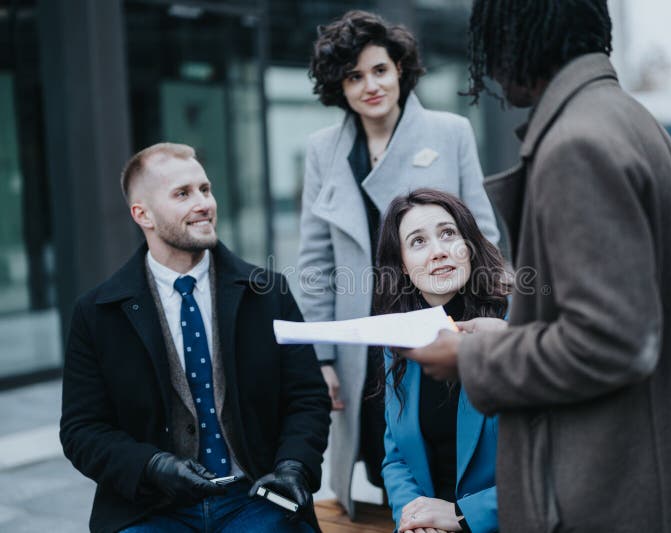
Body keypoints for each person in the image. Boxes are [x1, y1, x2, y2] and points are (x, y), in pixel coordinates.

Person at [402, 1, 671, 532]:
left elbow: (611, 340)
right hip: (670, 471)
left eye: (491, 47)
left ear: (517, 37)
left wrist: (476, 355)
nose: (492, 72)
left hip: (626, 490)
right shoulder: (633, 121)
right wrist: (509, 331)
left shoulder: (577, 145)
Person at [60, 143, 331, 533]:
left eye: (205, 189)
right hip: (149, 507)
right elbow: (82, 430)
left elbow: (308, 397)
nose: (204, 203)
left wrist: (293, 467)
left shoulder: (268, 292)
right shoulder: (97, 313)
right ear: (143, 214)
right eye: (183, 194)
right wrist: (152, 466)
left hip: (254, 498)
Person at [298, 9, 500, 518]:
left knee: (459, 442)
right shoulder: (324, 150)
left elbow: (483, 231)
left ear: (401, 70)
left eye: (380, 70)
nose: (371, 86)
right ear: (337, 86)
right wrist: (322, 356)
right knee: (390, 452)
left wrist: (494, 324)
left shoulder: (449, 132)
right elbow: (316, 261)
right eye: (354, 76)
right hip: (362, 332)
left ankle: (458, 517)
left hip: (439, 316)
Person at [374, 189, 508, 533]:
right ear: (402, 265)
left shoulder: (516, 330)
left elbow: (560, 460)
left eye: (448, 233)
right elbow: (397, 457)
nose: (438, 252)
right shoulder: (400, 339)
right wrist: (415, 520)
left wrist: (465, 516)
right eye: (418, 242)